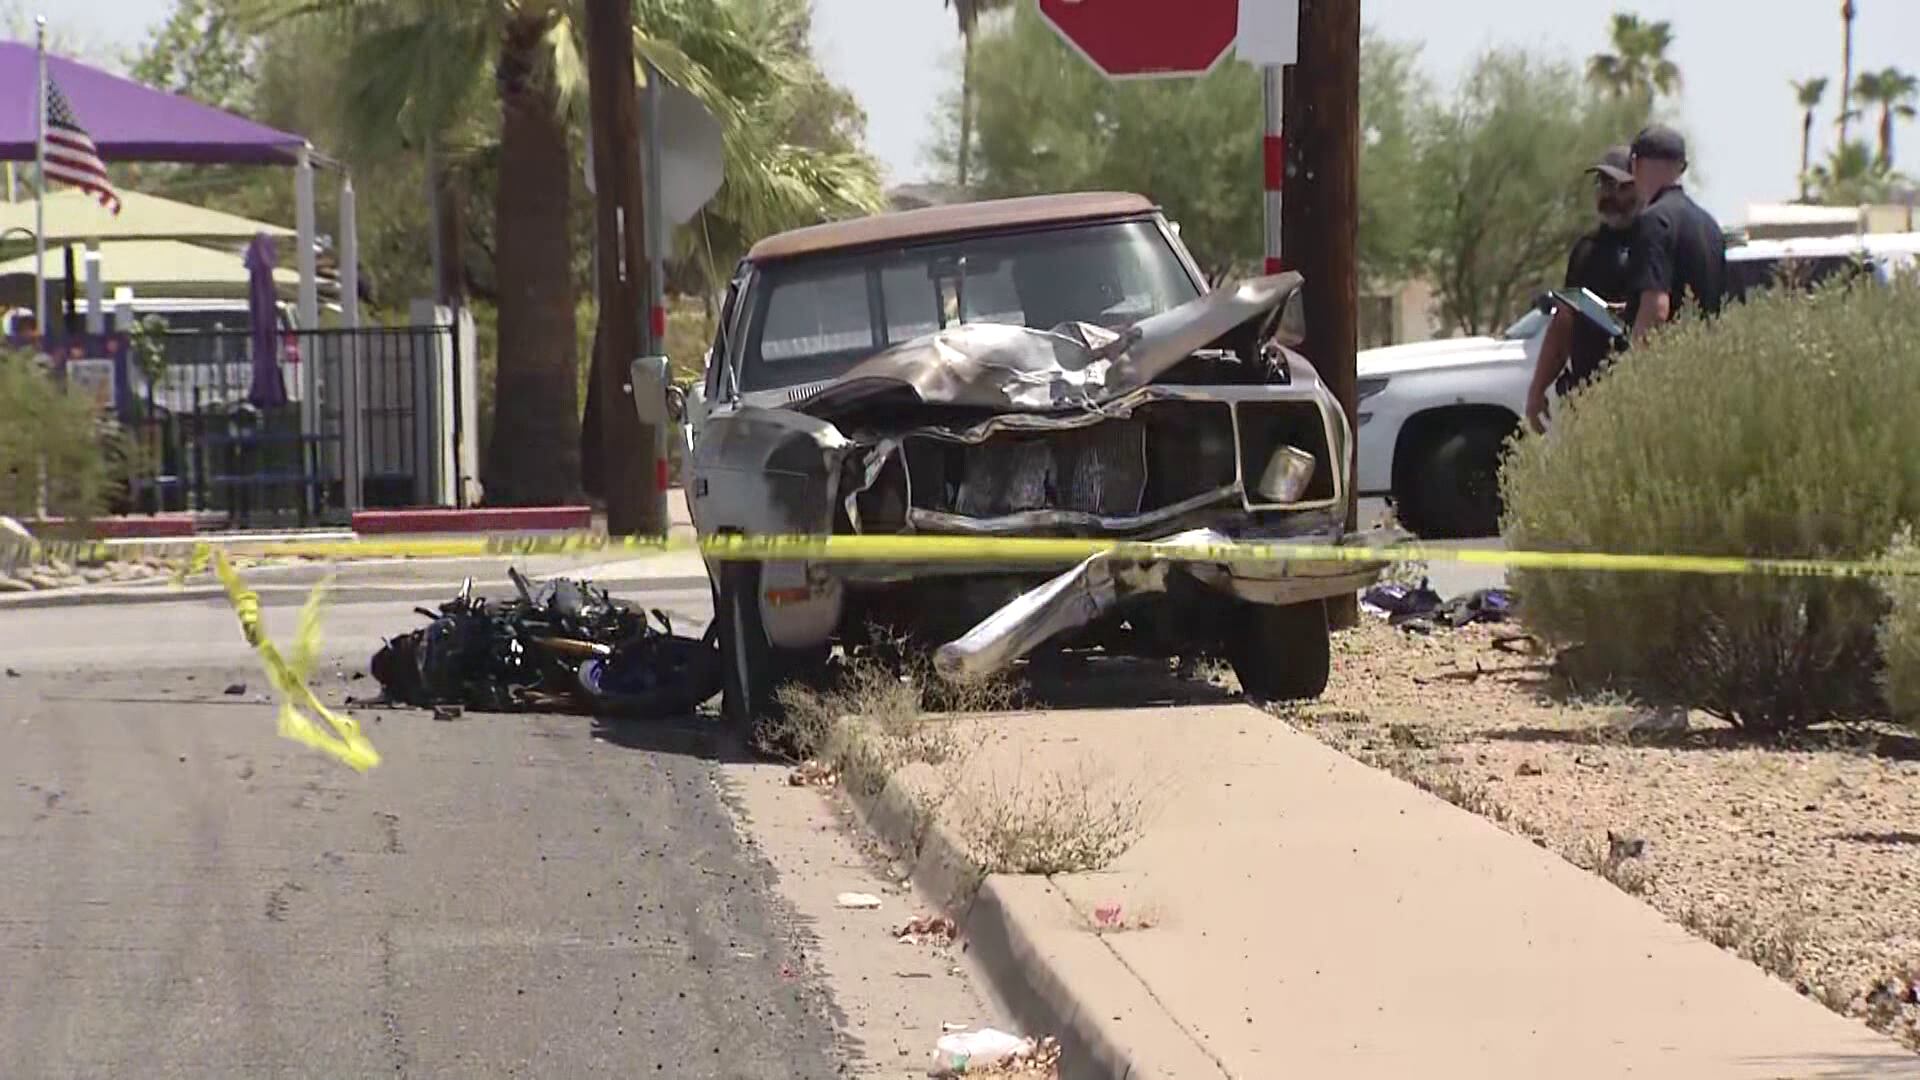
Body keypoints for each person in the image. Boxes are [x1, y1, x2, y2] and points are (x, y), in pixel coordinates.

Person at [1524, 145, 1643, 434]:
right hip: (1586, 396)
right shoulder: (1586, 250)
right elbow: (1564, 321)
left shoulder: (1652, 242)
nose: (1606, 195)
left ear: (1636, 187)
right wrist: (1537, 390)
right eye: (1601, 184)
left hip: (1637, 395)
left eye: (1615, 186)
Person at [1624, 125, 1727, 345]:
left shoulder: (1654, 221)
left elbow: (1656, 309)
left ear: (1634, 164)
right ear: (1683, 167)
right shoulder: (1710, 225)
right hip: (1707, 361)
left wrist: (1631, 370)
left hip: (1668, 364)